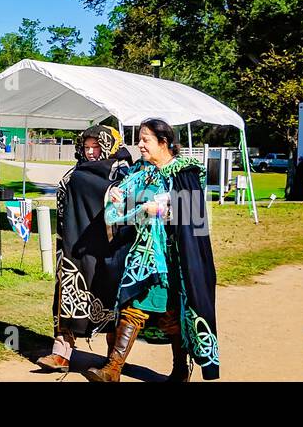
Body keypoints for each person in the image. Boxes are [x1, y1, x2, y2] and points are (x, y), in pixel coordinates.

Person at [82, 118, 219, 382]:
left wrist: (165, 211)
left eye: (145, 140)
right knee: (135, 304)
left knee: (172, 314)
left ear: (163, 142)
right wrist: (116, 196)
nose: (140, 145)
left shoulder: (184, 172)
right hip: (144, 256)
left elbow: (195, 218)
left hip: (176, 258)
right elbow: (120, 209)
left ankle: (180, 368)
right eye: (140, 139)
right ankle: (113, 369)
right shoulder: (141, 172)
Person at [35, 125, 132, 371]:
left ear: (109, 145)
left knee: (110, 299)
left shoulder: (122, 171)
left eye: (95, 147)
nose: (89, 152)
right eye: (86, 147)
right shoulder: (75, 172)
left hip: (107, 248)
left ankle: (113, 360)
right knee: (66, 293)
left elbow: (128, 205)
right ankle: (61, 353)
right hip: (73, 246)